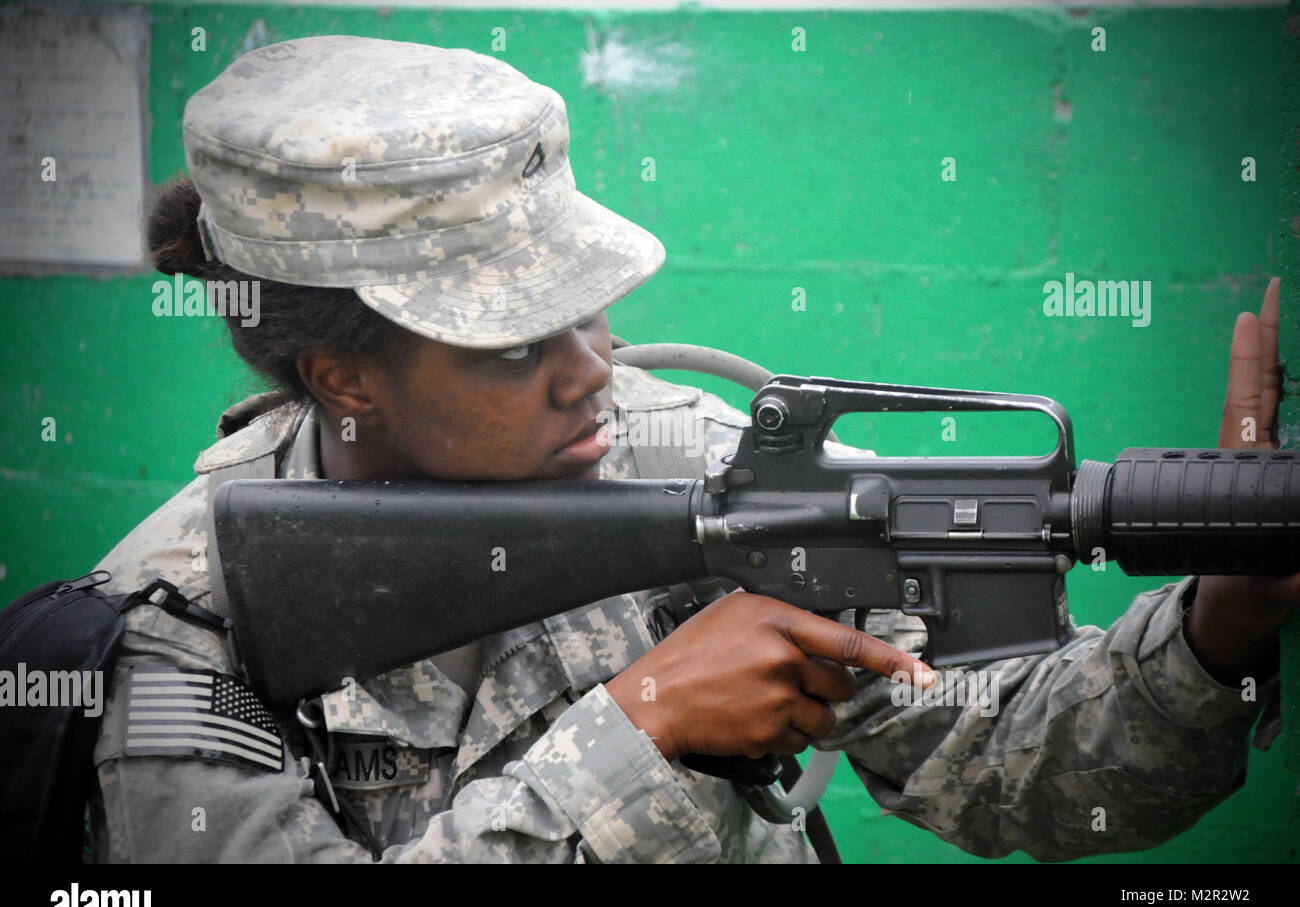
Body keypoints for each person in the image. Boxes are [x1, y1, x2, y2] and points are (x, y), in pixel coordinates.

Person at [90, 35, 1285, 863]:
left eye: (589, 304)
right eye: (514, 343)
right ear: (341, 374)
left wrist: (1215, 625)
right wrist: (642, 720)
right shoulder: (184, 623)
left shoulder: (696, 473)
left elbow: (1020, 768)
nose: (593, 368)